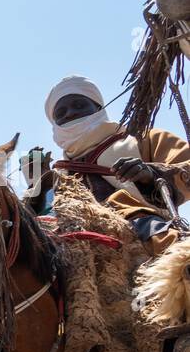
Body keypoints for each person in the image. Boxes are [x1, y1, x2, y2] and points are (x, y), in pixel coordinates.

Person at [23, 75, 190, 252]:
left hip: (144, 233)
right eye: (61, 113)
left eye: (79, 105)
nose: (70, 113)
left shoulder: (144, 139)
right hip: (74, 244)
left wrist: (151, 175)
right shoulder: (59, 175)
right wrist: (37, 186)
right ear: (55, 125)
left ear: (98, 108)